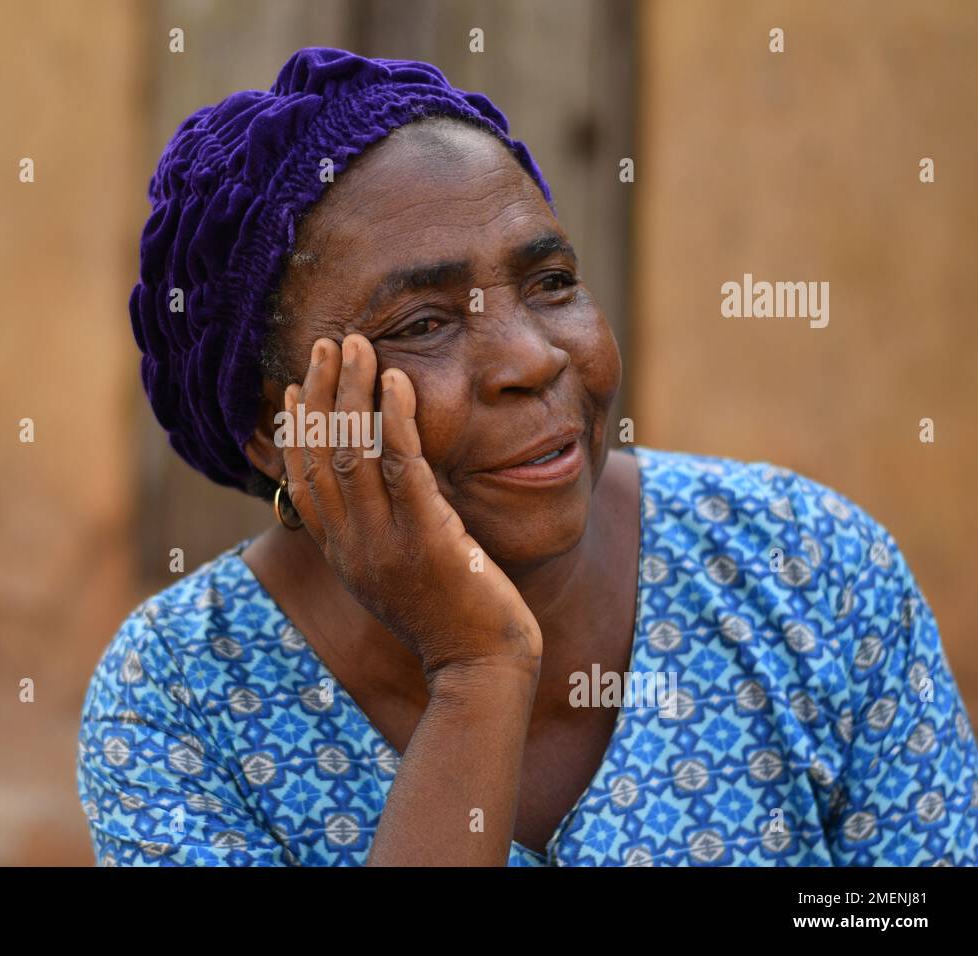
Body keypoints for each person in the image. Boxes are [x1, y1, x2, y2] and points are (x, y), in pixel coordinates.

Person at [77, 47, 978, 866]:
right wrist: (477, 672)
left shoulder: (808, 567)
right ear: (283, 437)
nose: (534, 359)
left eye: (551, 284)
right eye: (424, 324)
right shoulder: (177, 701)